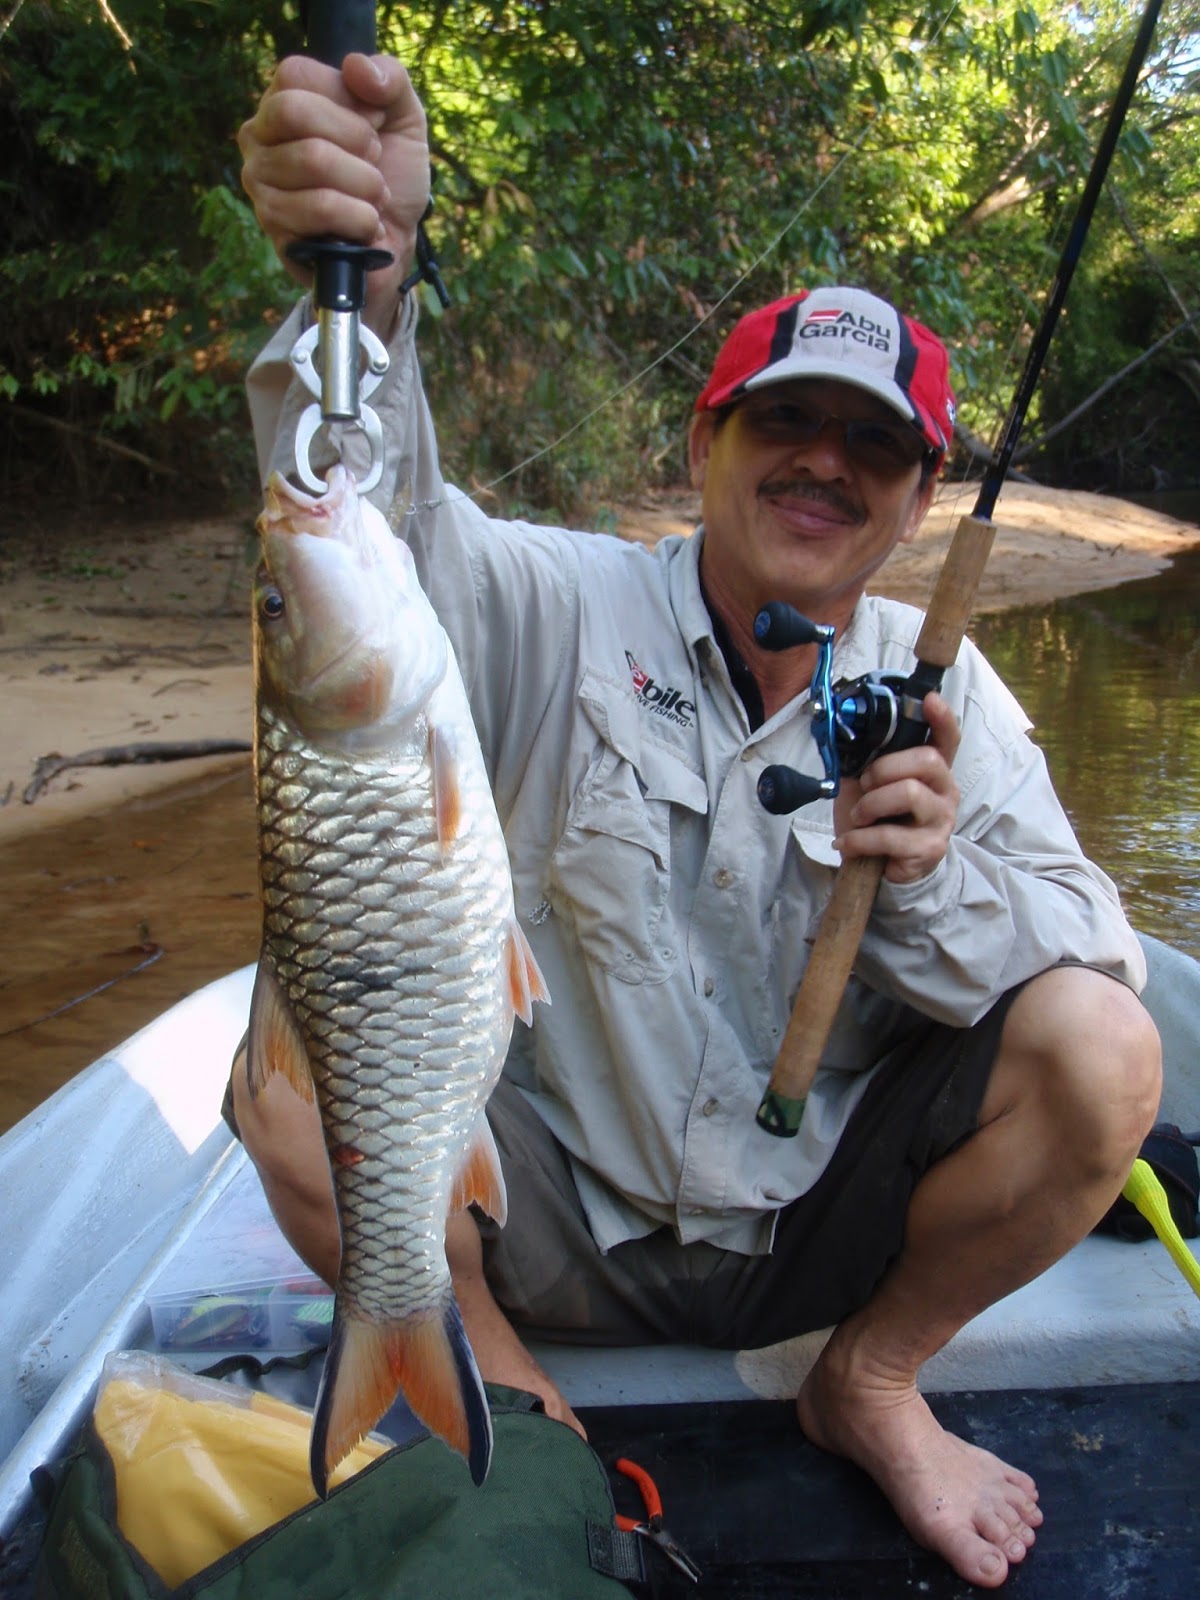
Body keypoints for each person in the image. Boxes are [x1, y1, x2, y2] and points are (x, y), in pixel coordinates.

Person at [233, 52, 1163, 1590]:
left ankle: (866, 1381)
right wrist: (369, 293)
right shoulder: (542, 600)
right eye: (783, 421)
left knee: (1105, 1049)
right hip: (551, 1224)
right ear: (701, 448)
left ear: (919, 501)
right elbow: (368, 519)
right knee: (288, 1055)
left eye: (874, 446)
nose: (824, 463)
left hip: (816, 1237)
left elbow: (1095, 955)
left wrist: (925, 881)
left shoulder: (955, 690)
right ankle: (502, 1390)